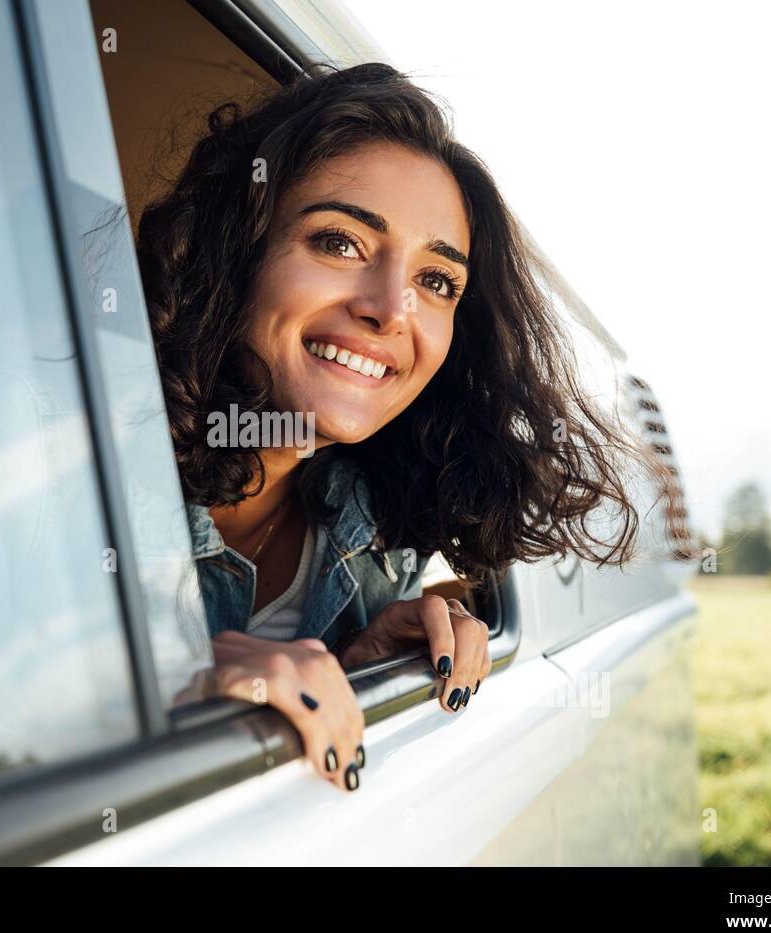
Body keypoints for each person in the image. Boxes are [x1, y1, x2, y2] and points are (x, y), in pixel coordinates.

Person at [137, 62, 664, 792]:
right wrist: (165, 693)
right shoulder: (66, 483)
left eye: (435, 281)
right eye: (340, 242)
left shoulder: (378, 525)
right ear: (239, 251)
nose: (390, 309)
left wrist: (357, 659)